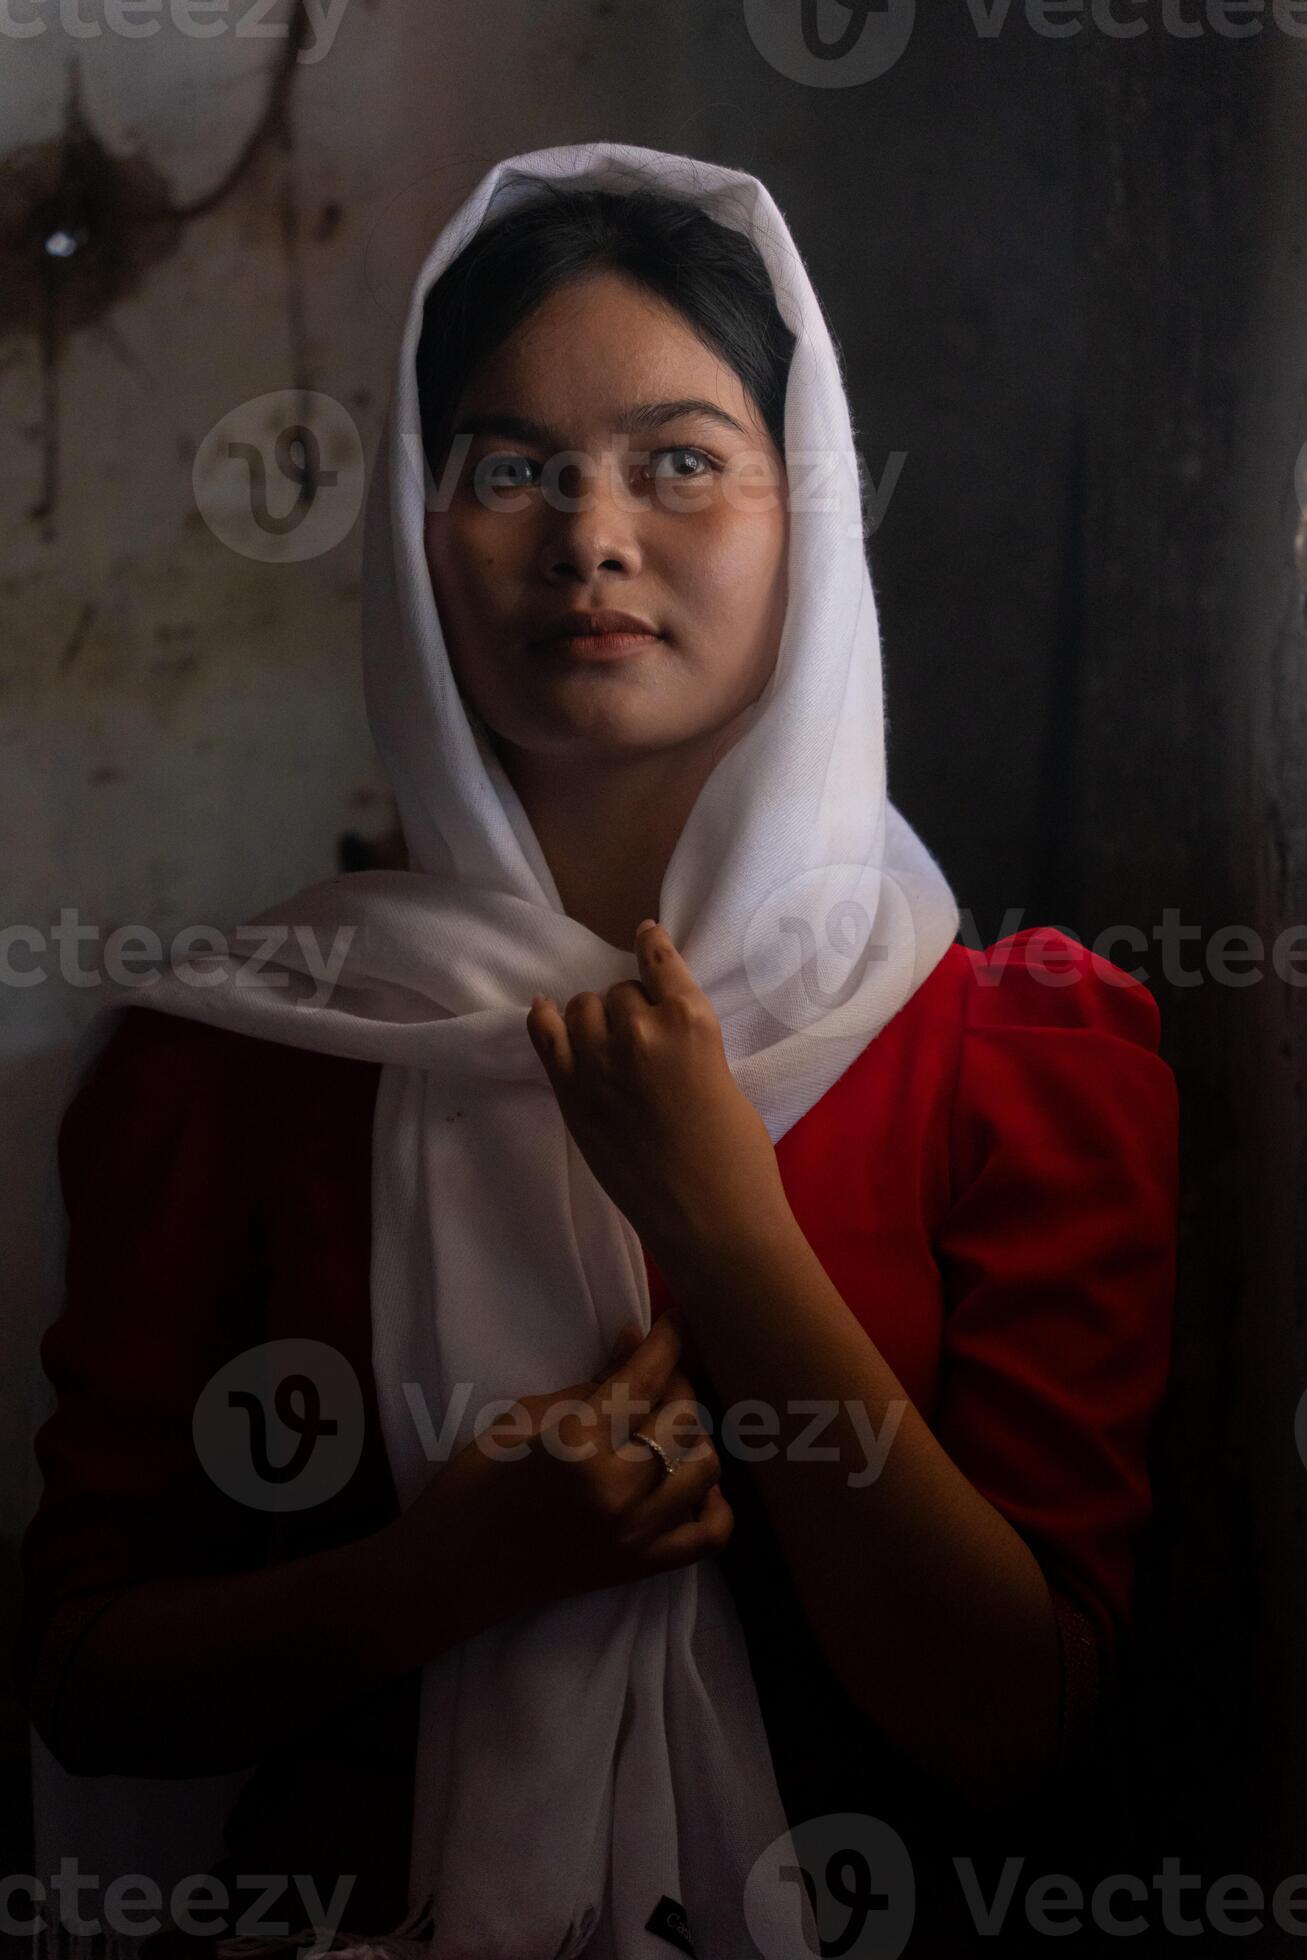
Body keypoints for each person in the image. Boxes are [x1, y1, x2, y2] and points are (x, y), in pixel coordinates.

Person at [17, 143, 1178, 1959]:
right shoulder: (235, 1057)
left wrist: (727, 1225)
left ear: (806, 515)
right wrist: (450, 1574)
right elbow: (89, 1675)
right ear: (418, 529)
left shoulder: (1018, 1048)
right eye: (508, 470)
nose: (591, 536)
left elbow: (1016, 1723)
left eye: (683, 462)